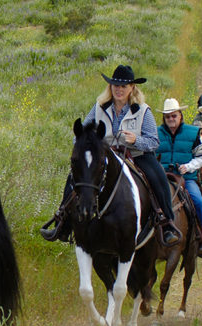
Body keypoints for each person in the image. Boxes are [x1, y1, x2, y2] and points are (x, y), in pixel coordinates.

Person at [40, 65, 181, 246]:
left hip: (136, 155)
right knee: (75, 178)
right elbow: (83, 132)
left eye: (123, 86)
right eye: (115, 85)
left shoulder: (143, 111)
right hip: (105, 156)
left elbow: (154, 141)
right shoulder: (99, 108)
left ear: (132, 88)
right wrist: (83, 148)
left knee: (158, 176)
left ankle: (166, 222)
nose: (119, 89)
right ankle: (62, 222)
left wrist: (135, 140)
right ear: (110, 87)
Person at [157, 99, 202, 257]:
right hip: (162, 177)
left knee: (199, 202)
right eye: (167, 117)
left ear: (180, 115)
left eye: (173, 115)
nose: (171, 119)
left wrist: (188, 166)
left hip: (186, 177)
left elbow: (201, 157)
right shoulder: (156, 133)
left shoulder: (192, 132)